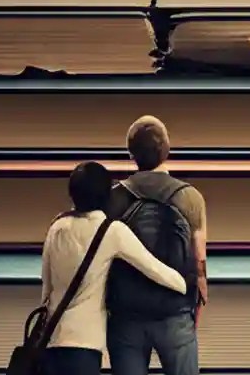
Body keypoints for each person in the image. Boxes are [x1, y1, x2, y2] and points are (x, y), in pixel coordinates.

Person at [40, 161, 187, 375]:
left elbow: (46, 288)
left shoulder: (57, 227)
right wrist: (185, 284)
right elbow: (155, 269)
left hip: (51, 341)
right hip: (84, 345)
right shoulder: (111, 230)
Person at [104, 115, 208, 375]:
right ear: (167, 150)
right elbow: (199, 260)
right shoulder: (189, 197)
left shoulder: (112, 198)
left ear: (131, 153)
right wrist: (197, 301)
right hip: (175, 314)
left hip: (126, 317)